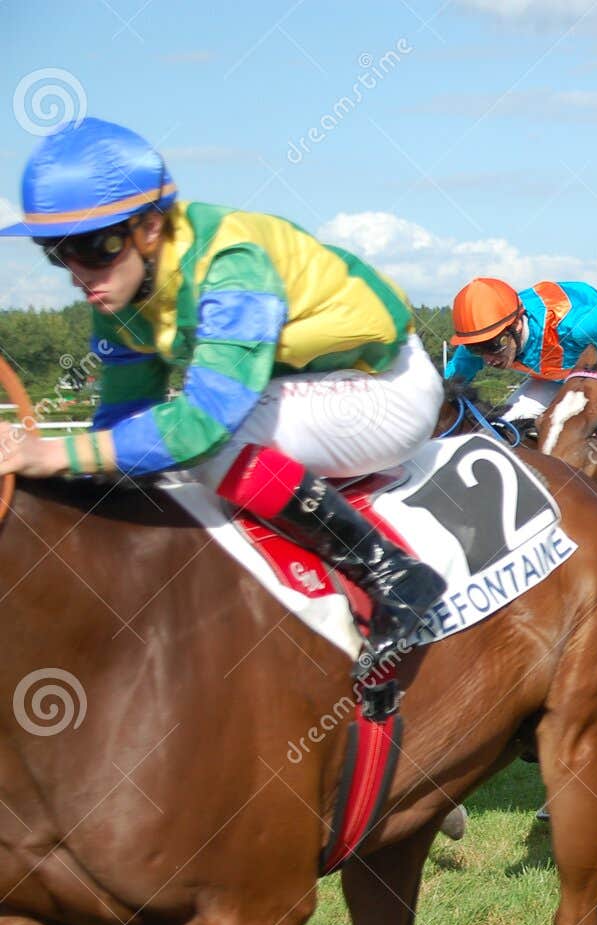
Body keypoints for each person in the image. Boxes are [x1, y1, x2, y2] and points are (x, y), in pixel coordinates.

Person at [0, 118, 446, 672]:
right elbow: (120, 424)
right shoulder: (120, 300)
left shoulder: (232, 264)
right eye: (56, 254)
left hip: (387, 391)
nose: (76, 274)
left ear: (149, 228)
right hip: (307, 390)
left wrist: (53, 452)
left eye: (93, 248)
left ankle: (392, 572)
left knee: (205, 450)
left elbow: (202, 425)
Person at [445, 277, 597, 423]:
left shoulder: (579, 325)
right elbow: (447, 385)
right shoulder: (483, 335)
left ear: (517, 324)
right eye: (477, 349)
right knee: (506, 427)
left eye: (493, 346)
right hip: (558, 378)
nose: (487, 358)